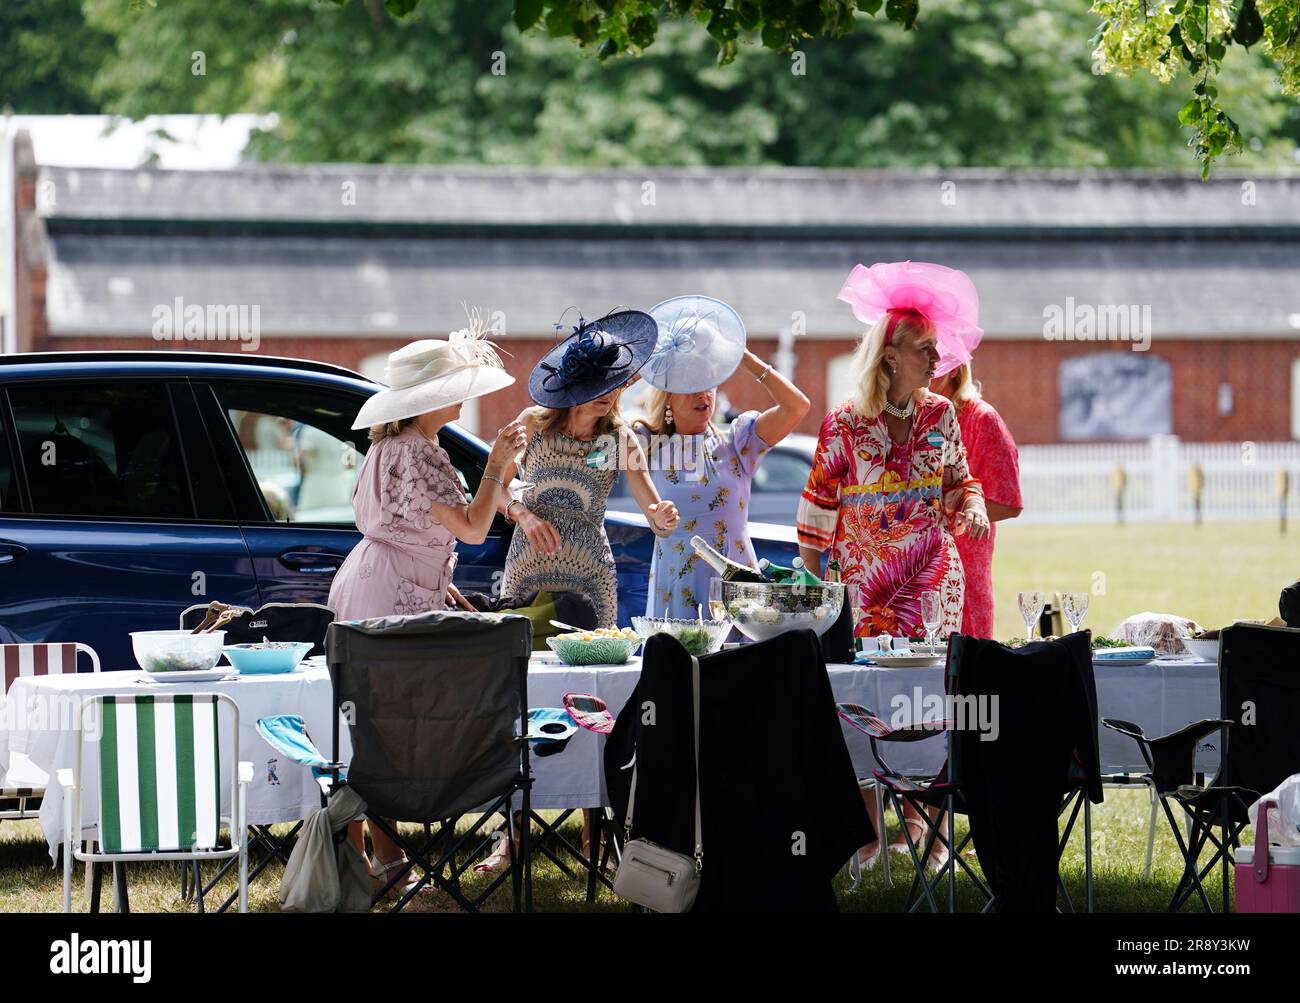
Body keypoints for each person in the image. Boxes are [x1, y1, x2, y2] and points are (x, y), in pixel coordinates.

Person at [797, 261, 990, 873]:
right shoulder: (845, 423)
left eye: (937, 348)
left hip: (933, 584)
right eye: (925, 350)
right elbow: (816, 513)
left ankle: (929, 833)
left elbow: (961, 484)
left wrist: (976, 507)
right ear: (889, 355)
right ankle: (868, 834)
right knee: (868, 701)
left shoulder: (941, 416)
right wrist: (821, 591)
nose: (936, 360)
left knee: (932, 703)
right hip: (867, 589)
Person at [328, 314, 527, 894]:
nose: (462, 396)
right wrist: (495, 464)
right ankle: (383, 861)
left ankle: (368, 858)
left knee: (372, 720)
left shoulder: (401, 446)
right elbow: (470, 528)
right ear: (423, 400)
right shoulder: (416, 451)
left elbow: (422, 534)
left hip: (382, 581)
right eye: (451, 387)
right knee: (387, 722)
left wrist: (445, 590)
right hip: (387, 592)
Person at [499, 310, 680, 628]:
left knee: (591, 669)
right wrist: (522, 514)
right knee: (520, 668)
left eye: (613, 383)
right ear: (575, 383)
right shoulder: (533, 424)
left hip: (590, 579)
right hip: (527, 571)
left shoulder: (619, 438)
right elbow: (494, 487)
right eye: (598, 383)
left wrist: (663, 517)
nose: (608, 393)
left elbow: (655, 513)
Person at [634, 336, 809, 618]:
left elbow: (797, 407)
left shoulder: (739, 441)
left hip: (737, 585)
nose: (703, 394)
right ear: (667, 395)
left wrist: (747, 361)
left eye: (708, 383)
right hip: (676, 584)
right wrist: (639, 371)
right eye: (691, 387)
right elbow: (596, 438)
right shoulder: (646, 443)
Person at [930, 362, 1023, 638]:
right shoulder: (912, 414)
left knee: (967, 671)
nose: (926, 369)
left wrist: (951, 512)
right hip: (915, 571)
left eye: (936, 364)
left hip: (965, 569)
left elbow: (1009, 502)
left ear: (955, 369)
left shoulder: (982, 419)